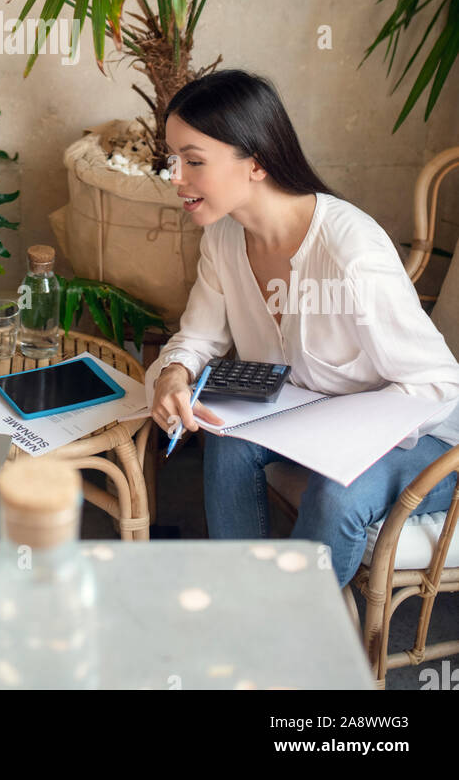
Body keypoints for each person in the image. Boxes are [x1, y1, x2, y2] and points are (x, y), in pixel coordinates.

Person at [146, 68, 459, 589]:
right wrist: (174, 375)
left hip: (422, 438)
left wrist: (339, 432)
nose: (175, 176)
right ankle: (246, 593)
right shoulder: (224, 240)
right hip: (304, 415)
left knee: (335, 495)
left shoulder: (351, 253)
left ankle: (289, 622)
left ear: (257, 163)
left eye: (193, 161)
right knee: (226, 441)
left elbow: (439, 387)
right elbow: (198, 338)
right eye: (174, 159)